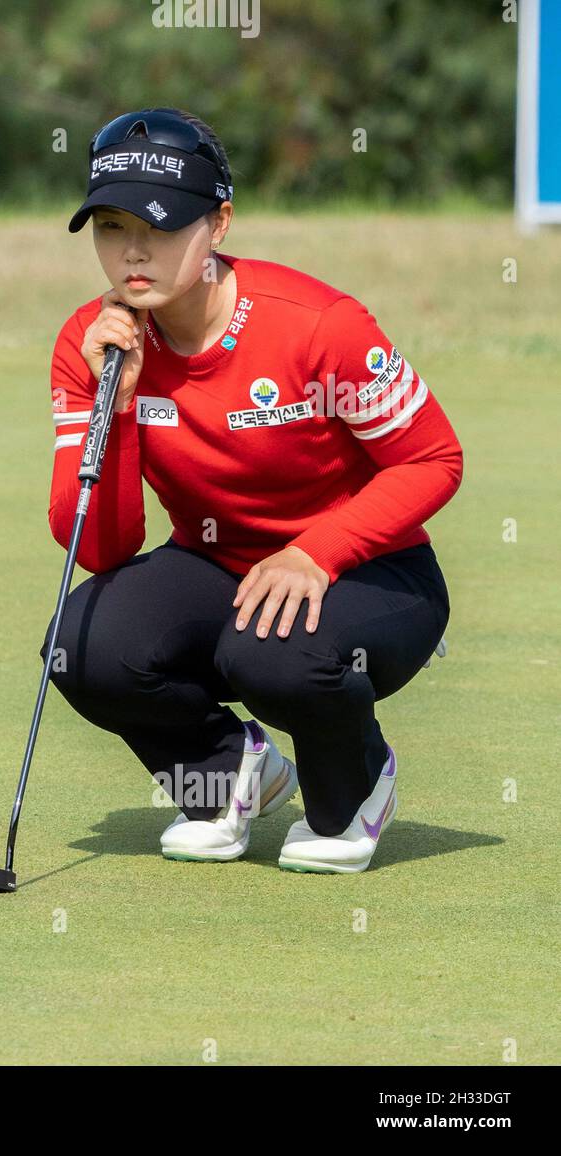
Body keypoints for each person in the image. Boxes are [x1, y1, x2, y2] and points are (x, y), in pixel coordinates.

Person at [42, 108, 462, 873]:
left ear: (221, 222)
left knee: (270, 654)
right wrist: (123, 405)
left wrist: (317, 551)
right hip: (217, 562)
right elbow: (100, 547)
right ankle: (223, 774)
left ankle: (356, 788)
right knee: (82, 645)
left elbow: (433, 459)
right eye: (109, 226)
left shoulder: (319, 326)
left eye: (161, 227)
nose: (133, 251)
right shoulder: (92, 343)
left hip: (373, 572)